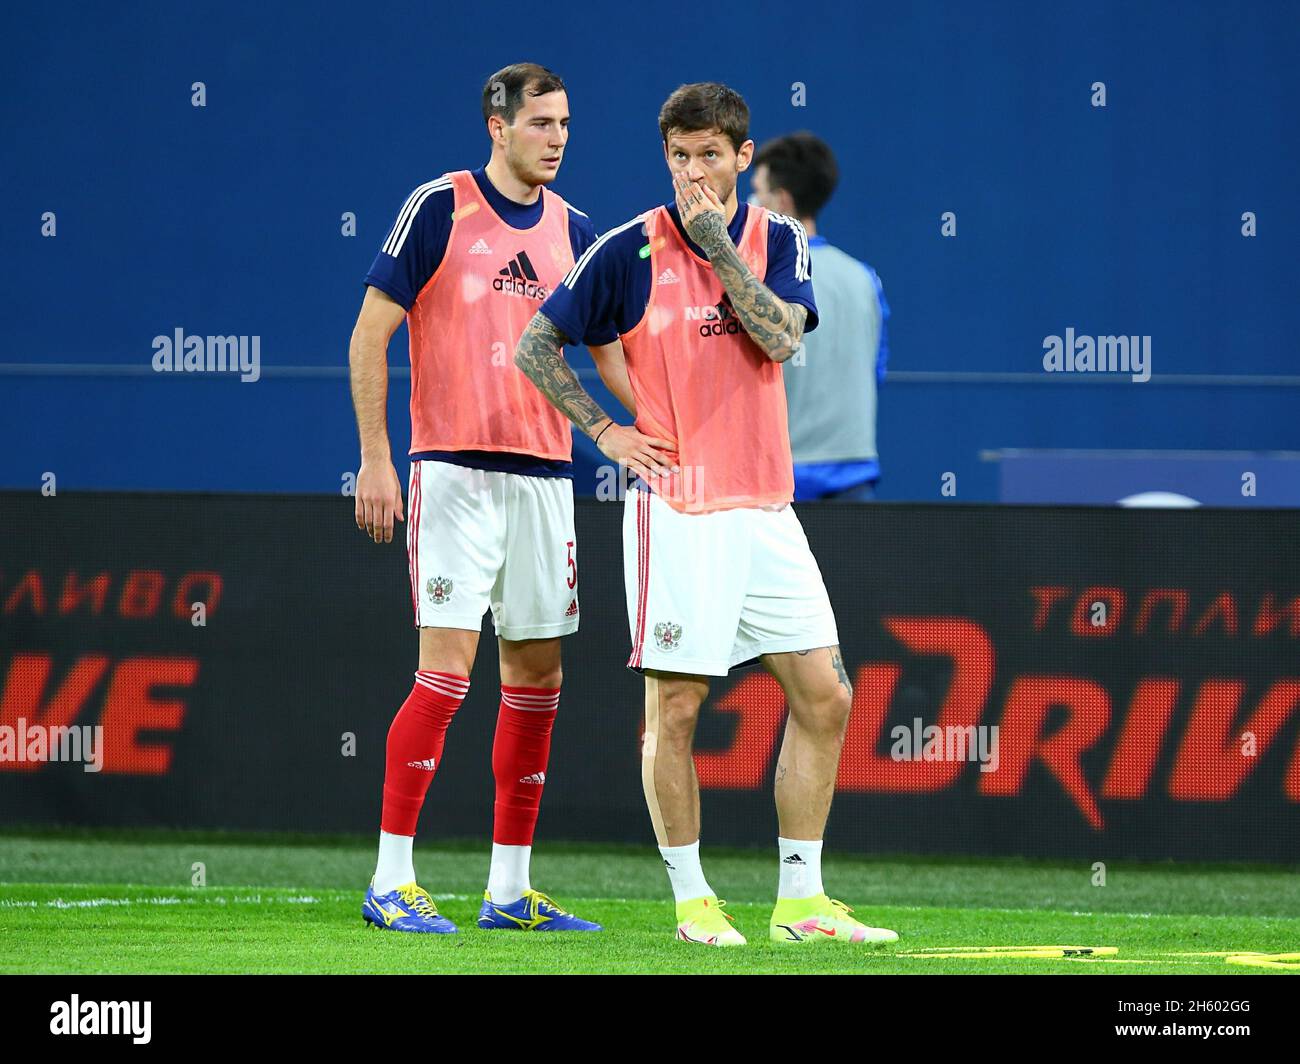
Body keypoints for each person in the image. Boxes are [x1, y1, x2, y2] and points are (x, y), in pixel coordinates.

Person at [514, 82, 898, 947]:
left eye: (709, 156)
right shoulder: (625, 250)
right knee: (677, 711)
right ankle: (693, 904)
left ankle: (801, 904)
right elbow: (537, 346)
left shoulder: (777, 241)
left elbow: (783, 339)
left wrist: (723, 256)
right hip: (678, 511)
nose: (693, 173)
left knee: (826, 697)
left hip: (765, 506)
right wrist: (607, 431)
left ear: (741, 157)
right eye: (679, 158)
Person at [347, 62, 631, 934]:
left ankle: (509, 892)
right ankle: (391, 880)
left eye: (566, 124)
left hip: (546, 481)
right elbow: (369, 335)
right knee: (444, 675)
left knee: (537, 680)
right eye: (542, 123)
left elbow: (612, 355)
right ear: (497, 126)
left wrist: (661, 430)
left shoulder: (578, 231)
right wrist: (376, 459)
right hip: (453, 475)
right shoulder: (439, 206)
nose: (558, 138)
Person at [750, 132, 889, 501]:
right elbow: (875, 371)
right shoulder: (865, 278)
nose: (750, 203)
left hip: (781, 479)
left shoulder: (755, 279)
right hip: (853, 476)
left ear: (781, 201)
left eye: (758, 192)